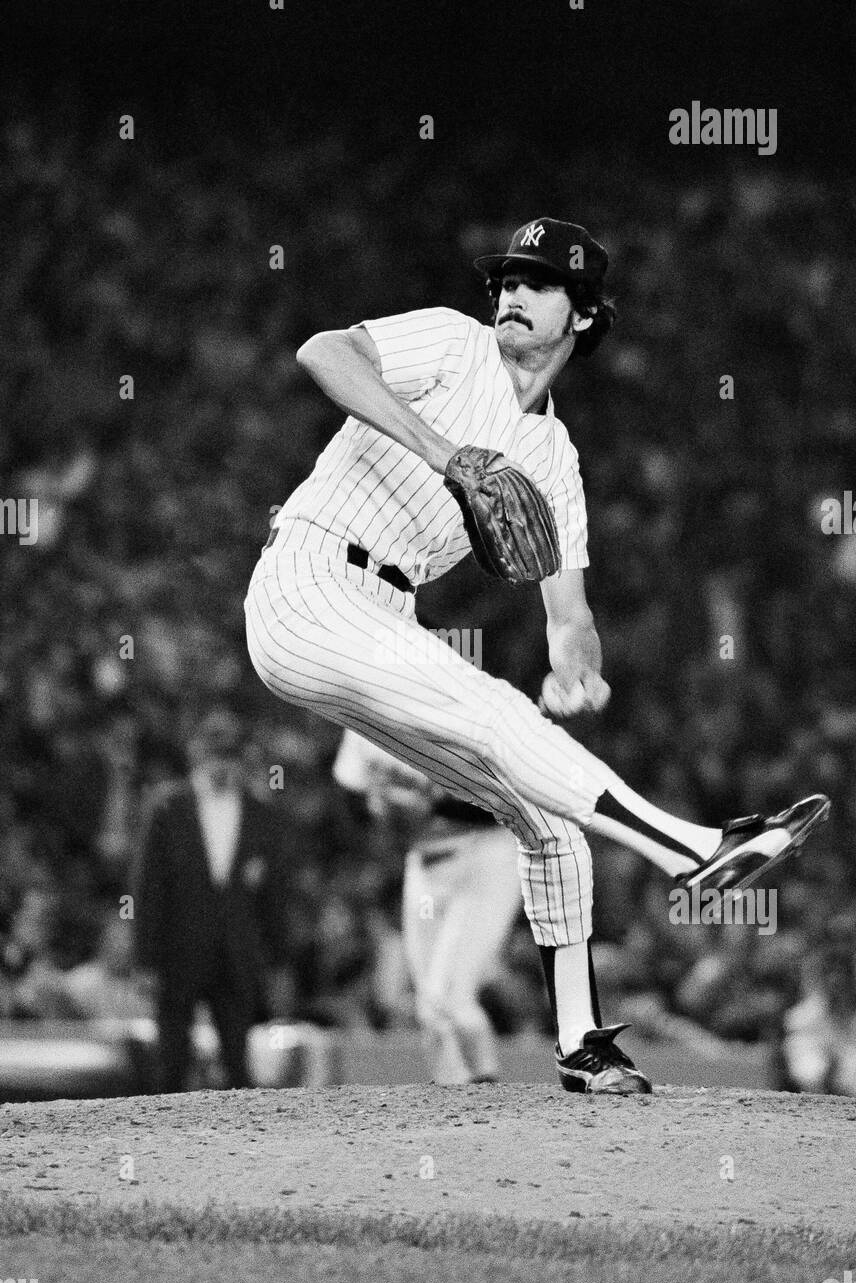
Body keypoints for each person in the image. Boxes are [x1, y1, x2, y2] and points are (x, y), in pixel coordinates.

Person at [244, 216, 829, 1094]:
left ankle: (581, 1042)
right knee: (495, 712)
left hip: (379, 612)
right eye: (508, 280)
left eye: (539, 283)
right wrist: (448, 455)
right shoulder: (453, 341)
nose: (511, 294)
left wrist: (574, 663)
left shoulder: (554, 458)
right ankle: (692, 847)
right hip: (308, 577)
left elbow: (569, 610)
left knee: (545, 816)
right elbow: (322, 351)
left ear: (584, 316)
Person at [334, 728, 522, 1084]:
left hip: (486, 857)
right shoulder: (360, 714)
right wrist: (379, 807)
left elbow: (509, 800)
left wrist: (429, 804)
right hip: (423, 862)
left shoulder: (453, 705)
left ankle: (488, 1087)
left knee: (449, 996)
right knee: (428, 1004)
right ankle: (453, 1096)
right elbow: (349, 791)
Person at [134, 707, 284, 1091]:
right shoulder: (168, 808)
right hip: (177, 952)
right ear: (196, 751)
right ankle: (164, 1140)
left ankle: (242, 1143)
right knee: (172, 1058)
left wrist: (277, 960)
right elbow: (149, 888)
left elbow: (272, 896)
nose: (220, 762)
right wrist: (146, 960)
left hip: (235, 953)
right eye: (214, 751)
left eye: (229, 752)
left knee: (237, 1058)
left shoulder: (260, 814)